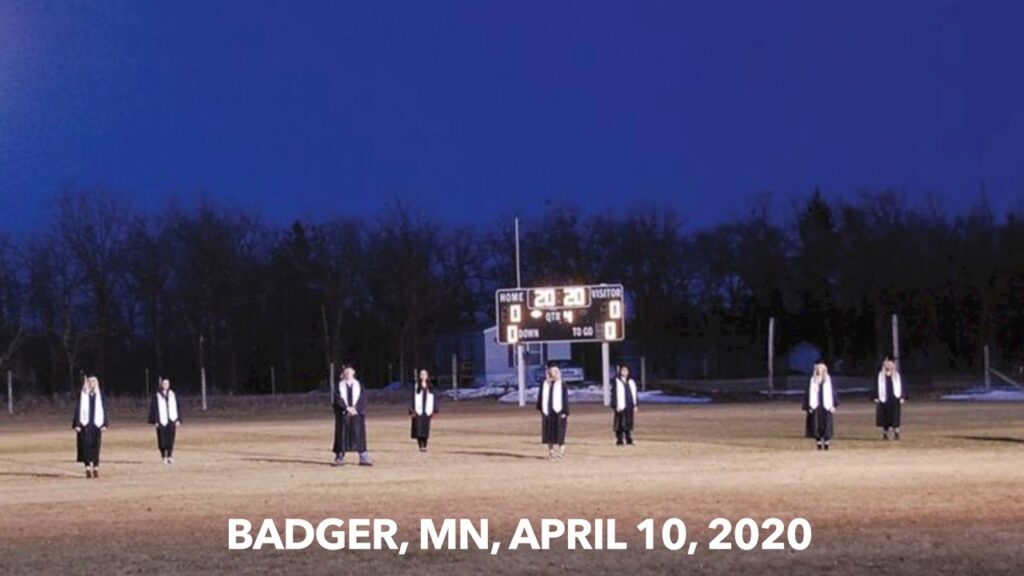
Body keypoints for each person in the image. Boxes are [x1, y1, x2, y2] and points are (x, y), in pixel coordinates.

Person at [332, 364, 372, 466]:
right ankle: (340, 456)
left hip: (357, 414)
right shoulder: (338, 386)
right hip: (343, 414)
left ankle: (363, 457)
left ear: (353, 373)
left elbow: (363, 399)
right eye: (346, 372)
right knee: (342, 435)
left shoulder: (359, 385)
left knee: (358, 434)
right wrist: (346, 408)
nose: (348, 374)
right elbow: (337, 399)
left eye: (349, 372)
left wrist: (355, 409)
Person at [72, 375, 108, 478]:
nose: (91, 384)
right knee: (85, 446)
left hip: (96, 424)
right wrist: (77, 424)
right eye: (90, 382)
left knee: (96, 446)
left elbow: (104, 409)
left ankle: (96, 468)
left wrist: (105, 423)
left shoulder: (100, 395)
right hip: (85, 424)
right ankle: (87, 468)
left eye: (93, 382)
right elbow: (77, 410)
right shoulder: (83, 395)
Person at [802, 359, 839, 451]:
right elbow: (807, 394)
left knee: (827, 424)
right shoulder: (812, 380)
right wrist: (807, 407)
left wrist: (835, 405)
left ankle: (826, 443)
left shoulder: (829, 380)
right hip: (816, 406)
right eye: (819, 369)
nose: (820, 371)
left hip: (826, 406)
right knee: (816, 424)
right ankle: (818, 442)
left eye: (822, 369)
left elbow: (834, 393)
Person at [536, 361, 570, 460]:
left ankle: (561, 452)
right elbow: (540, 397)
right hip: (548, 411)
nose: (552, 374)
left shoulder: (562, 384)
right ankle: (551, 452)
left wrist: (565, 411)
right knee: (549, 432)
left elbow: (565, 399)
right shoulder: (544, 384)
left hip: (559, 411)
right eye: (550, 371)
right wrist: (541, 409)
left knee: (560, 432)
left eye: (554, 371)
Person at [148, 378, 182, 464]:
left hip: (171, 419)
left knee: (171, 439)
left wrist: (178, 419)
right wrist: (155, 421)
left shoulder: (173, 394)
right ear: (161, 385)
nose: (165, 385)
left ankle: (170, 456)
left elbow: (178, 407)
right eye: (164, 384)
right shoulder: (156, 395)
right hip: (161, 421)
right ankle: (163, 457)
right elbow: (153, 409)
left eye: (167, 383)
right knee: (162, 439)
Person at [874, 356, 905, 440]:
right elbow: (876, 387)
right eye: (887, 364)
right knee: (885, 417)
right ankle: (885, 433)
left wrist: (902, 397)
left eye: (890, 364)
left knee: (895, 416)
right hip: (884, 398)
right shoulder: (880, 375)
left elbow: (902, 386)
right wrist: (875, 397)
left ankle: (896, 433)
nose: (889, 365)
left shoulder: (897, 375)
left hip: (894, 398)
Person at [409, 369, 438, 452]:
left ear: (427, 376)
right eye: (421, 374)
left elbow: (434, 398)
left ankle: (425, 445)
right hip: (418, 410)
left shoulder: (430, 386)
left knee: (425, 428)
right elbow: (412, 398)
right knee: (418, 429)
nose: (423, 376)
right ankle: (420, 445)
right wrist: (411, 410)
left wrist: (435, 409)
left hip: (427, 410)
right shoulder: (415, 387)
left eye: (425, 374)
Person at [611, 364, 638, 445]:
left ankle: (629, 438)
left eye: (626, 371)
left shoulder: (631, 382)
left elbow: (634, 394)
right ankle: (619, 439)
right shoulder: (617, 381)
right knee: (620, 423)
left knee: (628, 423)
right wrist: (615, 404)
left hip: (629, 405)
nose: (624, 372)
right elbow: (614, 394)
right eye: (623, 370)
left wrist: (635, 404)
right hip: (620, 405)